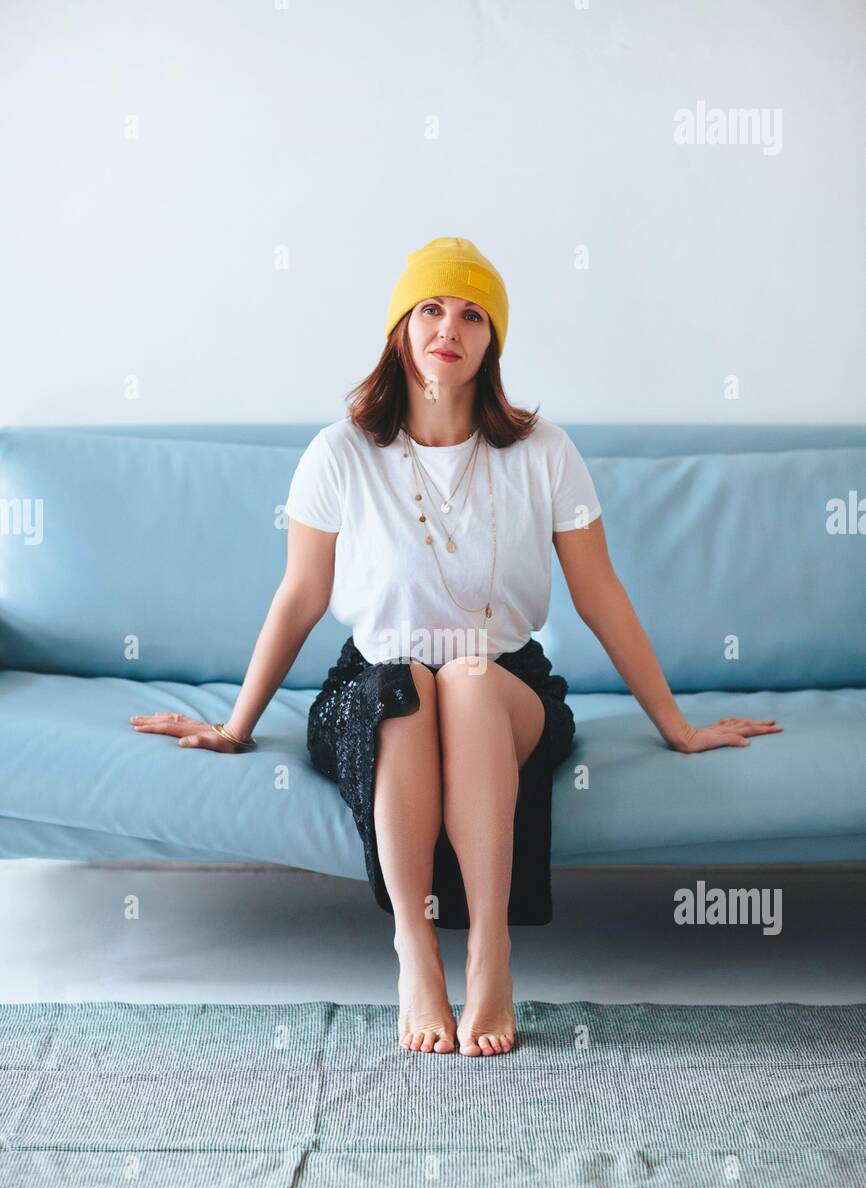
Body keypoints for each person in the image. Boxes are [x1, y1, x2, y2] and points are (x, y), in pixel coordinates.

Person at [129, 236, 782, 1058]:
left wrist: (678, 727)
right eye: (432, 308)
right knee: (407, 680)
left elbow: (600, 594)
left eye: (474, 315)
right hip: (374, 682)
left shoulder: (543, 451)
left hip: (504, 685)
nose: (451, 327)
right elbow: (300, 597)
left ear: (491, 341)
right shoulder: (341, 452)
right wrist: (235, 724)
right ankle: (416, 951)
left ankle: (492, 955)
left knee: (468, 678)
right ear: (402, 327)